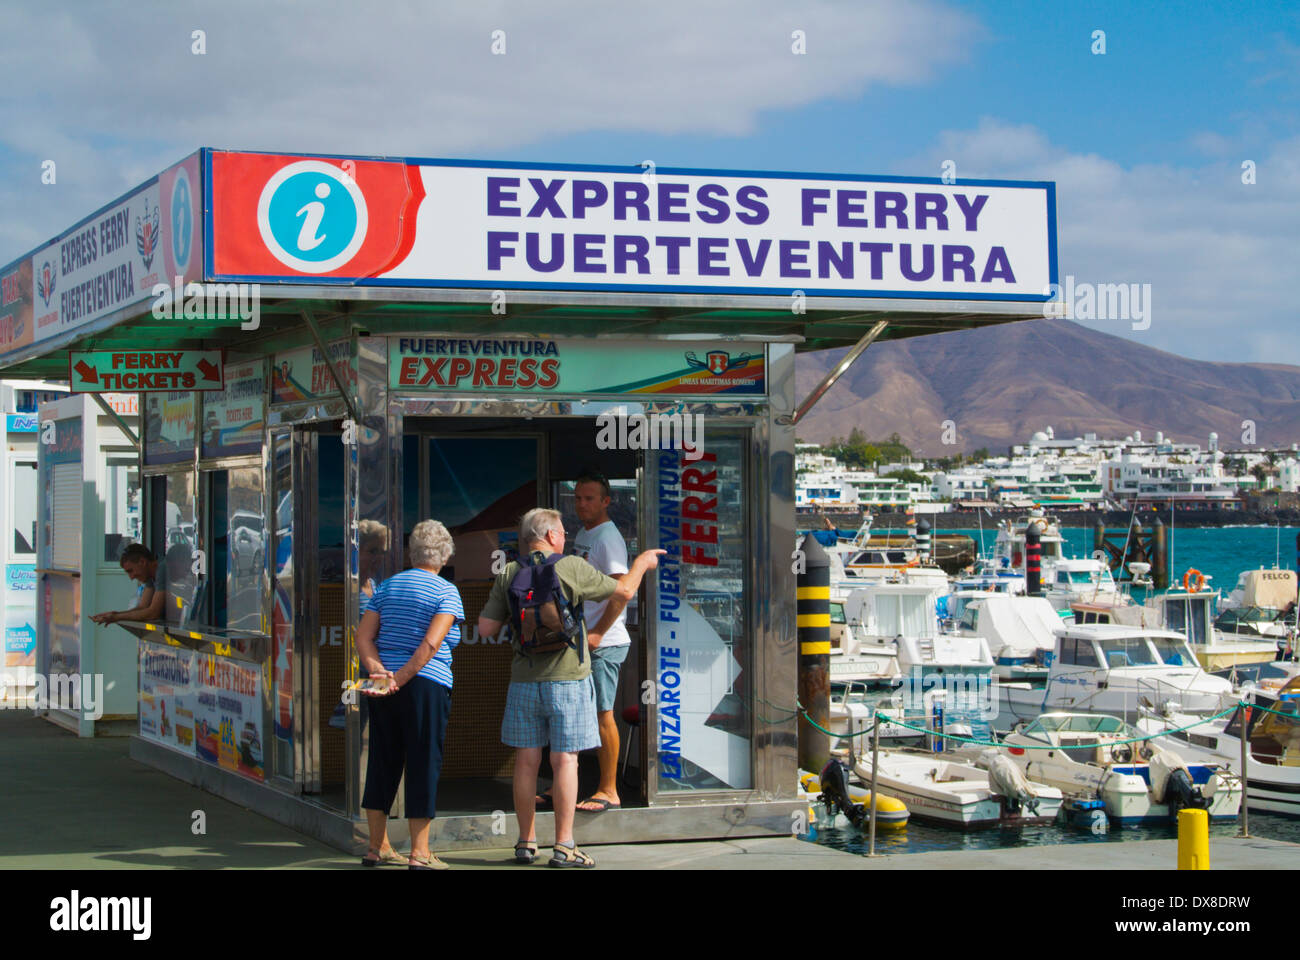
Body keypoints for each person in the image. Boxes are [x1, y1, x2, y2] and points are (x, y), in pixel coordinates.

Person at [477, 507, 663, 868]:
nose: (565, 537)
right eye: (562, 532)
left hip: (524, 681)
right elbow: (623, 591)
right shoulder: (570, 567)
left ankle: (525, 843)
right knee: (565, 761)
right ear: (549, 536)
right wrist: (641, 562)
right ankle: (564, 846)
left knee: (527, 763)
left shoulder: (510, 572)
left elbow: (485, 628)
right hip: (569, 680)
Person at [355, 519, 463, 871]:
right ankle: (420, 852)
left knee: (381, 760)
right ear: (444, 555)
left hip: (383, 685)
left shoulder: (385, 588)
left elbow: (363, 637)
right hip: (425, 685)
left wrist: (378, 672)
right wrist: (401, 677)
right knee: (423, 763)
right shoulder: (446, 591)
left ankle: (376, 847)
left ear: (410, 552)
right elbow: (431, 644)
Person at [570, 471, 631, 812]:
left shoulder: (608, 538)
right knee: (579, 714)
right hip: (584, 638)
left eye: (589, 498)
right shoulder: (585, 532)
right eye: (578, 497)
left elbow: (620, 593)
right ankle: (569, 783)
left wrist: (597, 633)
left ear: (606, 501)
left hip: (604, 641)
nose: (582, 503)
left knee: (603, 714)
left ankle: (609, 789)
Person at [91, 544, 161, 624]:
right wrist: (114, 615)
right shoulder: (149, 577)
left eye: (131, 571)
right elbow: (142, 607)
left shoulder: (161, 570)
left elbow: (153, 613)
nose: (131, 577)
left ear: (142, 562)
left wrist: (116, 617)